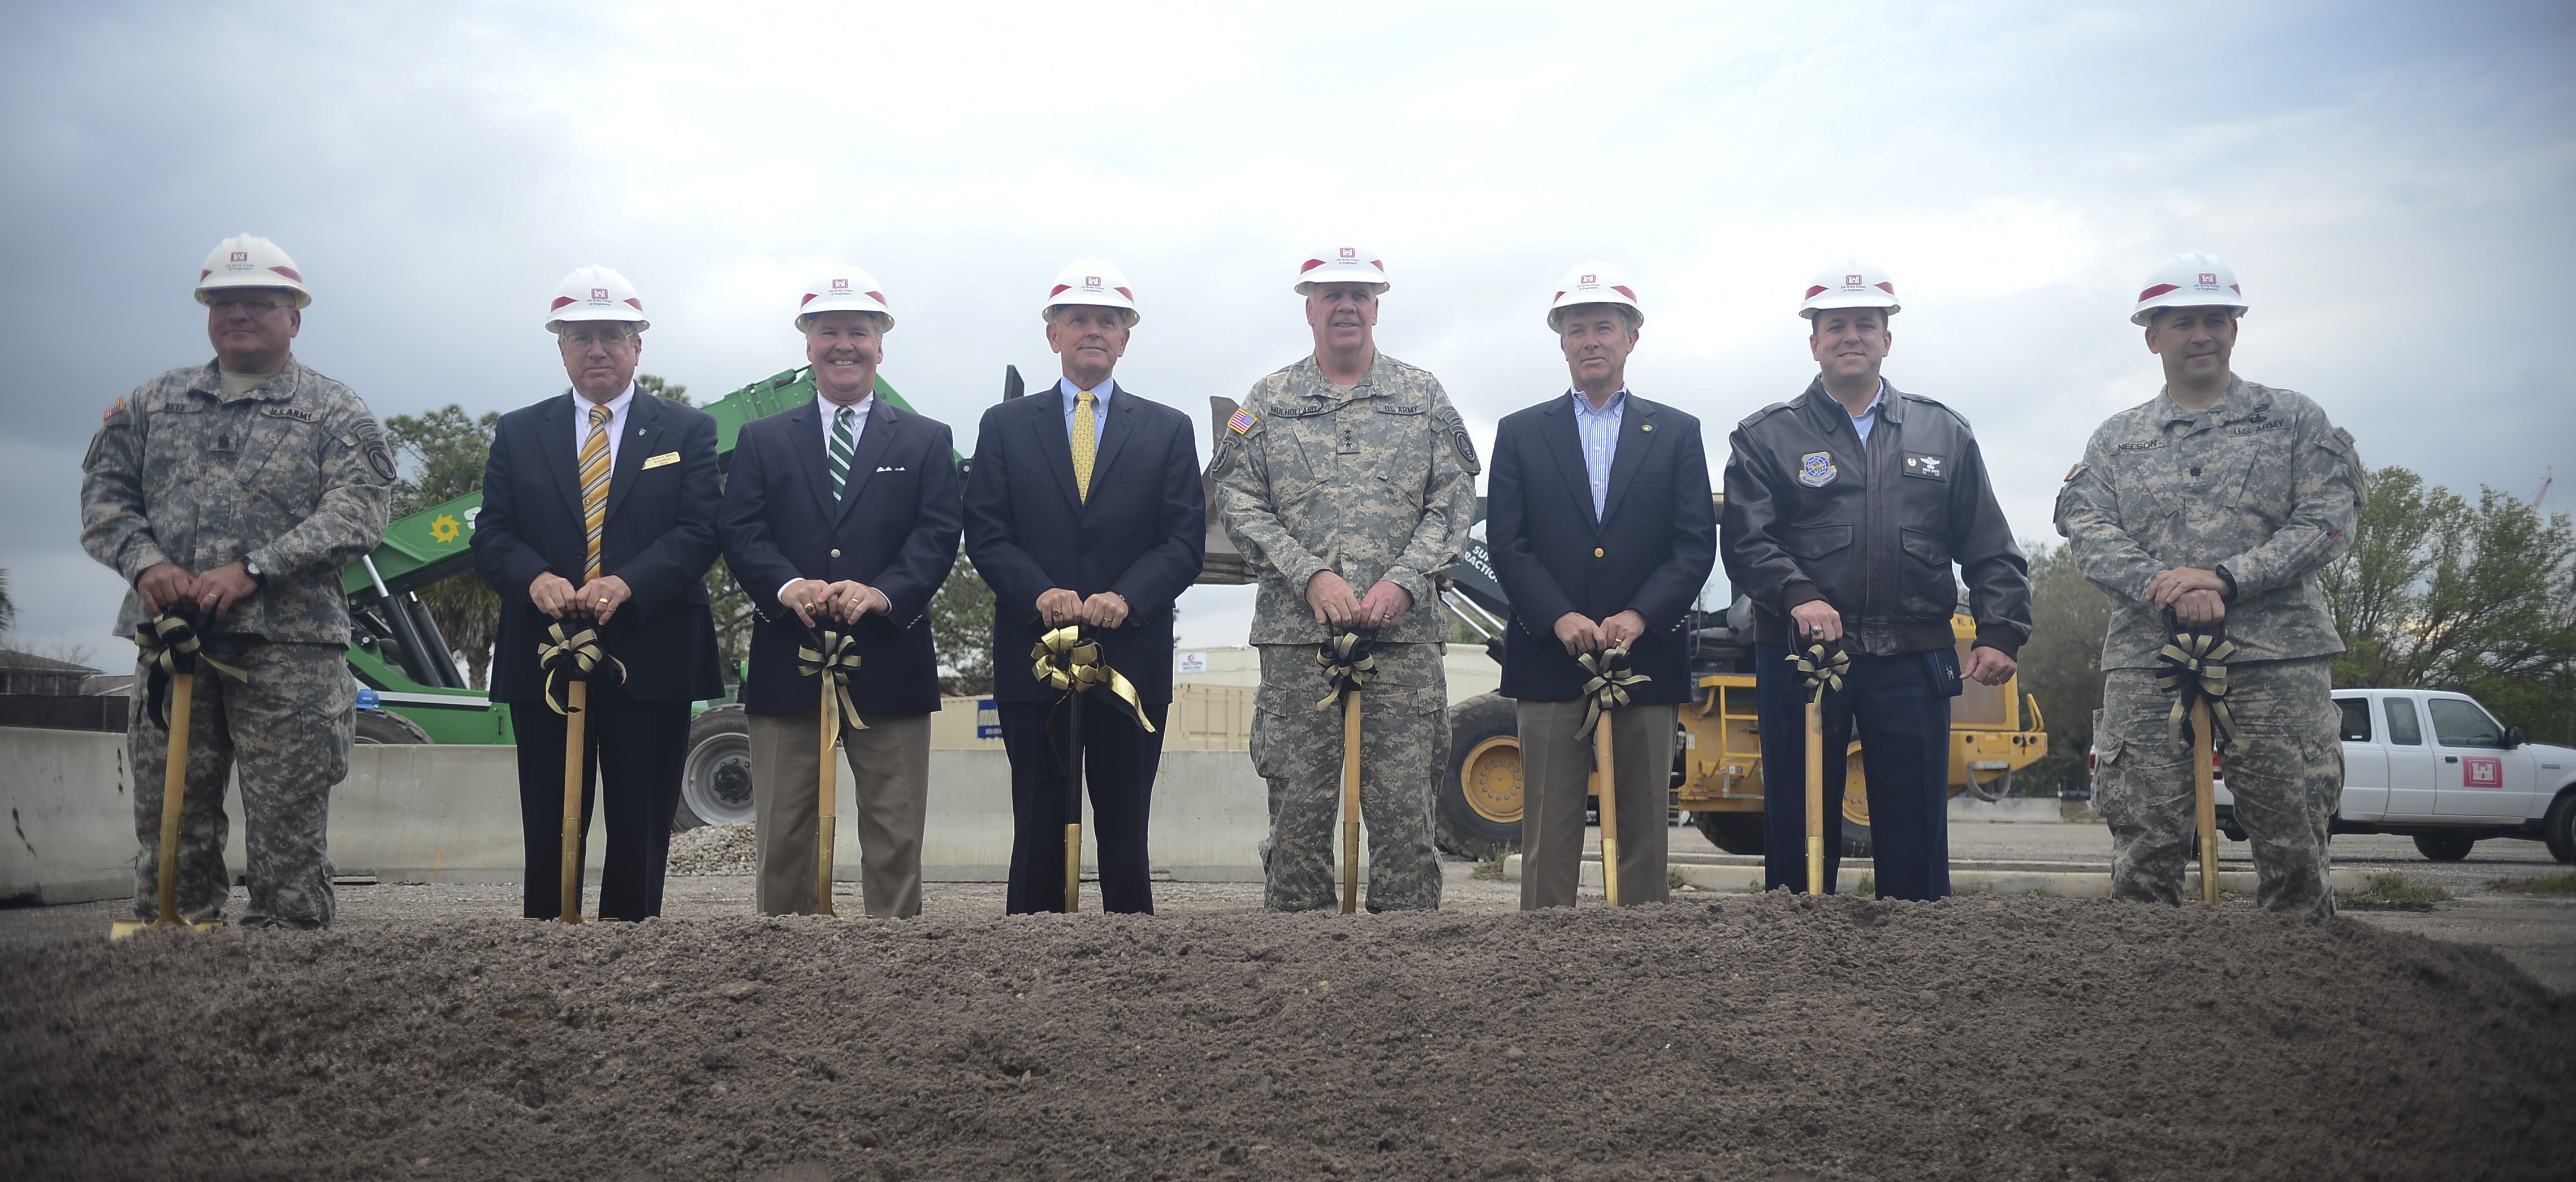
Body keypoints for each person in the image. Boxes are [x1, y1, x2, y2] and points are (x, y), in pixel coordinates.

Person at [79, 233, 393, 929]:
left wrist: (256, 568)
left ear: (294, 318)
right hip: (173, 643)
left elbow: (359, 512)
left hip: (290, 650)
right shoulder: (151, 403)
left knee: (288, 828)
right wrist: (147, 563)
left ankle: (288, 973)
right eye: (223, 302)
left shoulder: (335, 411)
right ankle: (174, 949)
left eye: (259, 302)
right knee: (170, 820)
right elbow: (104, 498)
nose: (239, 314)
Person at [2054, 253, 2363, 918]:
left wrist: (2226, 579)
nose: (2201, 335)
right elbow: (2086, 530)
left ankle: (2300, 1001)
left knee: (2293, 841)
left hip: (2274, 657)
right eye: (2184, 322)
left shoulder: (2292, 421)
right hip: (2148, 661)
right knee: (2145, 846)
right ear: (2152, 336)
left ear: (2234, 328)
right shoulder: (2116, 440)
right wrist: (2165, 586)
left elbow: (2329, 521)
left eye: (2215, 320)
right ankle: (2148, 1000)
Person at [1719, 260, 2030, 901]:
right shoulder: (1765, 437)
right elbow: (1747, 542)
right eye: (1835, 326)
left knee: (1913, 826)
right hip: (1800, 657)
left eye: (1865, 324)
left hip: (1912, 658)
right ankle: (1796, 955)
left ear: (1887, 338)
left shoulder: (1943, 432)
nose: (1850, 337)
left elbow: (1988, 544)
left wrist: (2000, 629)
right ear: (1813, 342)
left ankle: (1914, 966)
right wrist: (1799, 595)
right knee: (1798, 822)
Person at [1212, 245, 1477, 912]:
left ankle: (1407, 969)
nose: (1346, 307)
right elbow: (1238, 501)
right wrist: (1309, 577)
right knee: (1298, 815)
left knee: (1406, 816)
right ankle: (1295, 976)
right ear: (1309, 309)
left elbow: (1453, 501)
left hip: (1404, 641)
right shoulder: (1267, 401)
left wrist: (1404, 582)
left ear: (1377, 307)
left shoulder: (1422, 397)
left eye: (1359, 295)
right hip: (1298, 642)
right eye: (1331, 296)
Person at [472, 266, 723, 921]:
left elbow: (701, 531)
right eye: (581, 336)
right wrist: (535, 579)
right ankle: (550, 938)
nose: (598, 350)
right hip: (545, 652)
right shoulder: (519, 432)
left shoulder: (687, 431)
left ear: (638, 346)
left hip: (653, 649)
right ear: (561, 347)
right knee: (551, 817)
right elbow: (493, 533)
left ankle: (630, 941)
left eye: (613, 335)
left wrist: (629, 582)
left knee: (643, 818)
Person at [963, 259, 1206, 915]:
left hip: (1131, 661)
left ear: (1126, 338)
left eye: (1108, 321)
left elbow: (1183, 541)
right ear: (1052, 336)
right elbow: (985, 533)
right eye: (1077, 320)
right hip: (1033, 659)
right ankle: (1031, 964)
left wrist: (1126, 598)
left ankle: (1133, 969)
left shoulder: (1167, 429)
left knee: (1125, 830)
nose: (1092, 331)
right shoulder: (1003, 426)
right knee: (1039, 823)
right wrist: (1038, 592)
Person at [719, 265, 960, 919]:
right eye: (829, 332)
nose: (844, 345)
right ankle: (784, 970)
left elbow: (937, 535)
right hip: (785, 662)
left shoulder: (925, 439)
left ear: (881, 343)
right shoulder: (762, 440)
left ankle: (896, 967)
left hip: (890, 662)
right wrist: (788, 584)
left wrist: (884, 594)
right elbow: (739, 529)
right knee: (783, 836)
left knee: (894, 834)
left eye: (859, 331)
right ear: (807, 344)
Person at [1486, 263, 1715, 908]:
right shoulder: (1519, 432)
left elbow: (1694, 542)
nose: (1591, 340)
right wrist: (1557, 617)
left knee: (1644, 826)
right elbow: (1508, 543)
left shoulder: (1676, 433)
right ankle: (1544, 959)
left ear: (1630, 339)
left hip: (1645, 660)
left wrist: (1641, 615)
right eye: (1576, 328)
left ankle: (1643, 960)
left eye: (1604, 328)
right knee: (1547, 830)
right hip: (1547, 661)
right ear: (1560, 341)